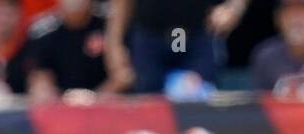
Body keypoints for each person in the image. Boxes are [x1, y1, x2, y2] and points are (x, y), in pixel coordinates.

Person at [105, 0, 246, 94]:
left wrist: (234, 7)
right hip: (150, 36)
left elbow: (235, 6)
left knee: (199, 104)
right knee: (150, 107)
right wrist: (114, 44)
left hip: (197, 34)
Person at [25, 0, 118, 102]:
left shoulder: (111, 26)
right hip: (61, 108)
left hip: (107, 105)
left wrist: (93, 99)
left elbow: (123, 77)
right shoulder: (42, 32)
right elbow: (40, 83)